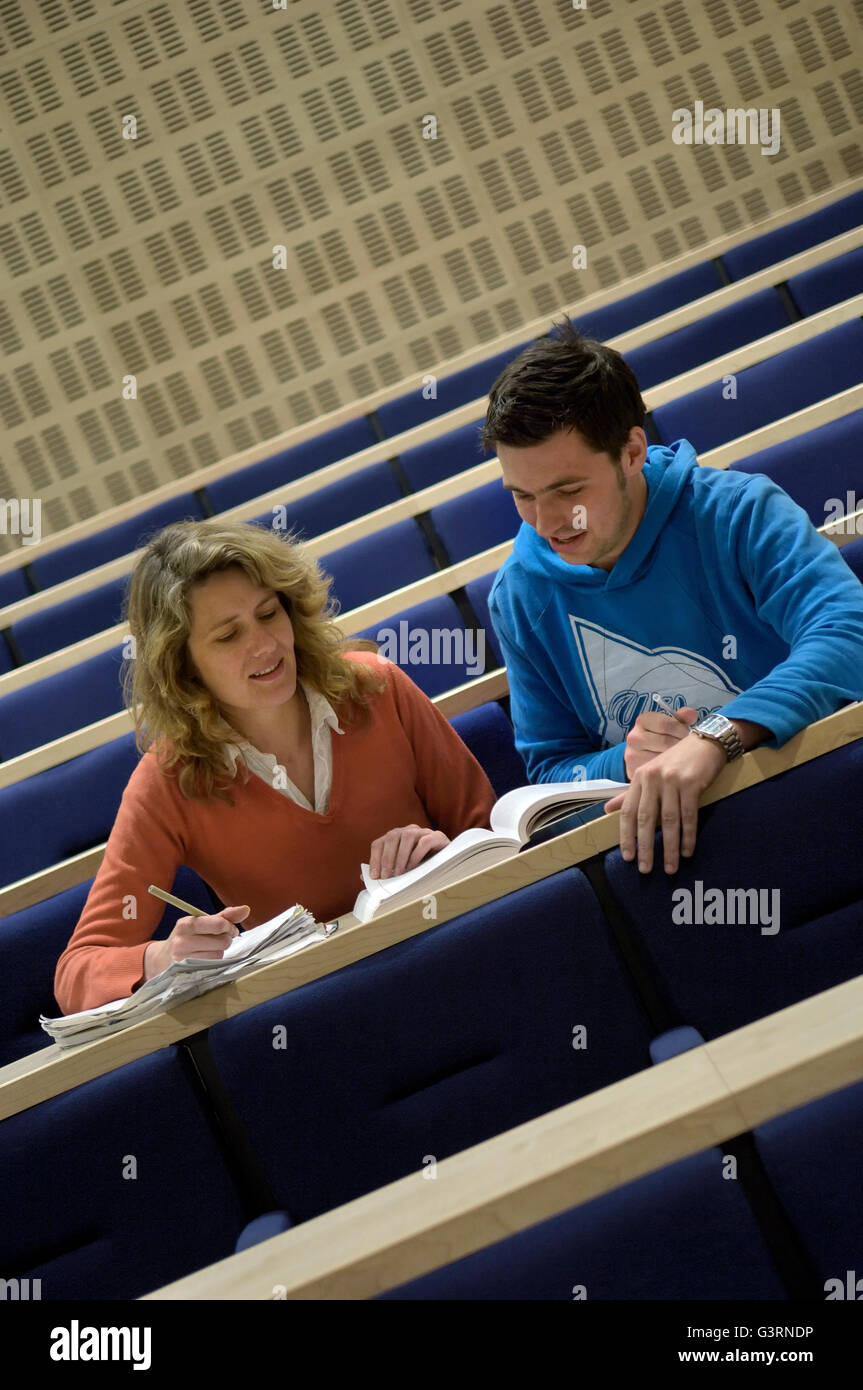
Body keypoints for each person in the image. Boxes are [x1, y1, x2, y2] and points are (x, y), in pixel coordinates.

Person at [54, 519, 496, 1014]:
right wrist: (161, 957)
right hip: (320, 1010)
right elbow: (77, 973)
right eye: (228, 637)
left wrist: (453, 850)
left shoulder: (378, 688)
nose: (264, 645)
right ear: (182, 664)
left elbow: (490, 833)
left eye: (269, 613)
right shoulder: (169, 781)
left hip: (458, 947)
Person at [483, 318, 863, 875]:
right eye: (522, 497)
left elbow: (848, 633)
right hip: (693, 862)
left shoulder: (739, 511)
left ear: (632, 451)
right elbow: (554, 772)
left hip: (825, 788)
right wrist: (628, 759)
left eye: (568, 491)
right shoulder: (519, 595)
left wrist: (716, 737)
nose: (547, 524)